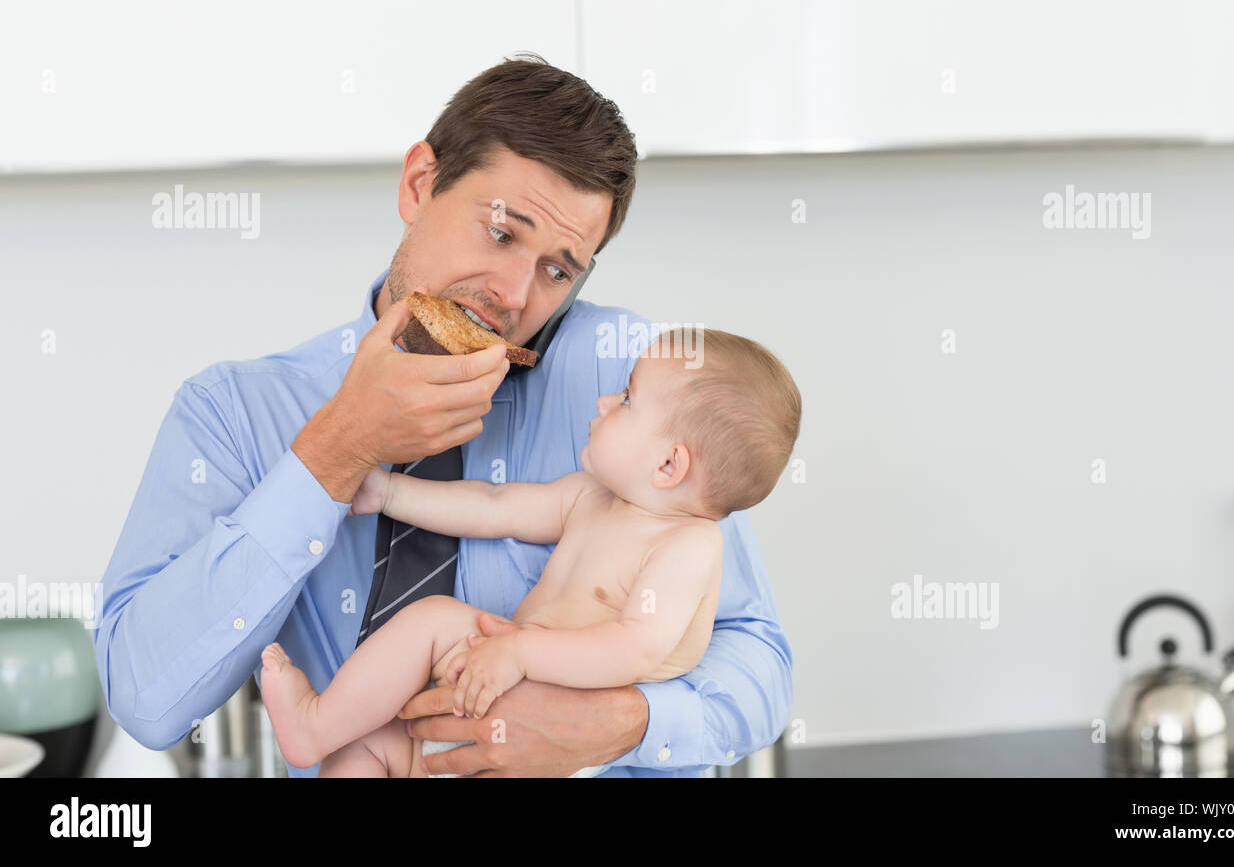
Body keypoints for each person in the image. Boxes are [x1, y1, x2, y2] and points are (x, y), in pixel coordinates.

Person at [94, 54, 793, 777]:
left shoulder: (632, 383)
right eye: (501, 233)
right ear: (419, 183)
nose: (516, 294)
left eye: (558, 268)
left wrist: (619, 722)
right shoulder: (232, 415)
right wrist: (336, 451)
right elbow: (148, 701)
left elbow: (757, 657)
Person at [258, 329, 802, 777]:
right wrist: (393, 494)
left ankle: (317, 722)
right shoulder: (591, 497)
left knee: (434, 628)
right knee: (367, 743)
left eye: (628, 399)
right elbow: (495, 506)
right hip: (488, 691)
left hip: (546, 746)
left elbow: (635, 647)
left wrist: (521, 655)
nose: (605, 401)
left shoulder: (687, 546)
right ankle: (317, 730)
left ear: (668, 465)